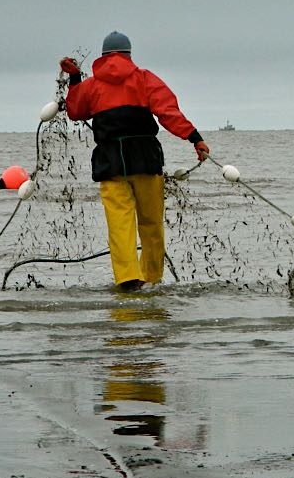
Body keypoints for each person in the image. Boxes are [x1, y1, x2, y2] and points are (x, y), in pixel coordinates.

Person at [59, 31, 209, 292]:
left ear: (103, 57)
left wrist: (74, 78)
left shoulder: (92, 86)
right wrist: (195, 138)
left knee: (120, 223)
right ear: (128, 55)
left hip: (110, 162)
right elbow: (169, 113)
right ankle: (151, 278)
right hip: (145, 159)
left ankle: (127, 280)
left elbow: (75, 110)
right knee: (151, 222)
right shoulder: (144, 78)